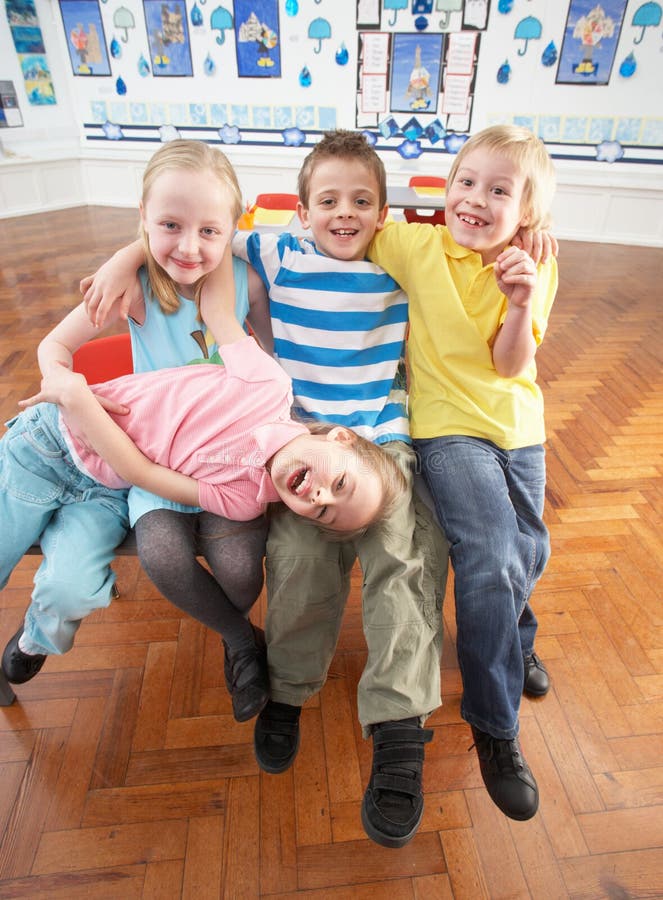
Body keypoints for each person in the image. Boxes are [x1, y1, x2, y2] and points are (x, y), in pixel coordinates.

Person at [80, 129, 449, 850]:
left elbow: (473, 246)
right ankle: (287, 688)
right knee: (302, 562)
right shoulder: (277, 250)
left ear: (384, 213)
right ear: (300, 212)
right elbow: (197, 236)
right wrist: (127, 251)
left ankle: (399, 725)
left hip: (381, 440)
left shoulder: (404, 256)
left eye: (362, 201)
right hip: (295, 444)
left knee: (402, 560)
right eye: (327, 200)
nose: (344, 214)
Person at [0, 293, 406, 700]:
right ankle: (241, 640)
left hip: (106, 488)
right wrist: (134, 256)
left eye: (322, 512)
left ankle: (36, 638)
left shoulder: (246, 500)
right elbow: (216, 305)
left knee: (71, 587)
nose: (319, 495)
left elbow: (141, 474)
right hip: (48, 443)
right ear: (341, 438)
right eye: (339, 484)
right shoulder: (269, 386)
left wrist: (79, 400)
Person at [2, 140, 271, 724]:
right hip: (145, 457)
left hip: (228, 457)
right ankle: (241, 640)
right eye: (168, 226)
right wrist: (67, 390)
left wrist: (141, 245)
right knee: (161, 554)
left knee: (241, 569)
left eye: (209, 231)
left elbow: (271, 366)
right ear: (143, 220)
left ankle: (235, 633)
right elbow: (55, 346)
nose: (189, 246)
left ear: (233, 227)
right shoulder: (139, 287)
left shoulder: (247, 283)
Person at [367, 124, 559, 822]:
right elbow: (339, 222)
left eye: (499, 190)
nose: (475, 199)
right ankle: (493, 725)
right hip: (447, 428)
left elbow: (510, 365)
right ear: (446, 190)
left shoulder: (535, 265)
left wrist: (519, 299)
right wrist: (130, 255)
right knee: (490, 557)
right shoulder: (416, 246)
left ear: (527, 214)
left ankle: (516, 638)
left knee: (527, 552)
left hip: (519, 429)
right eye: (465, 182)